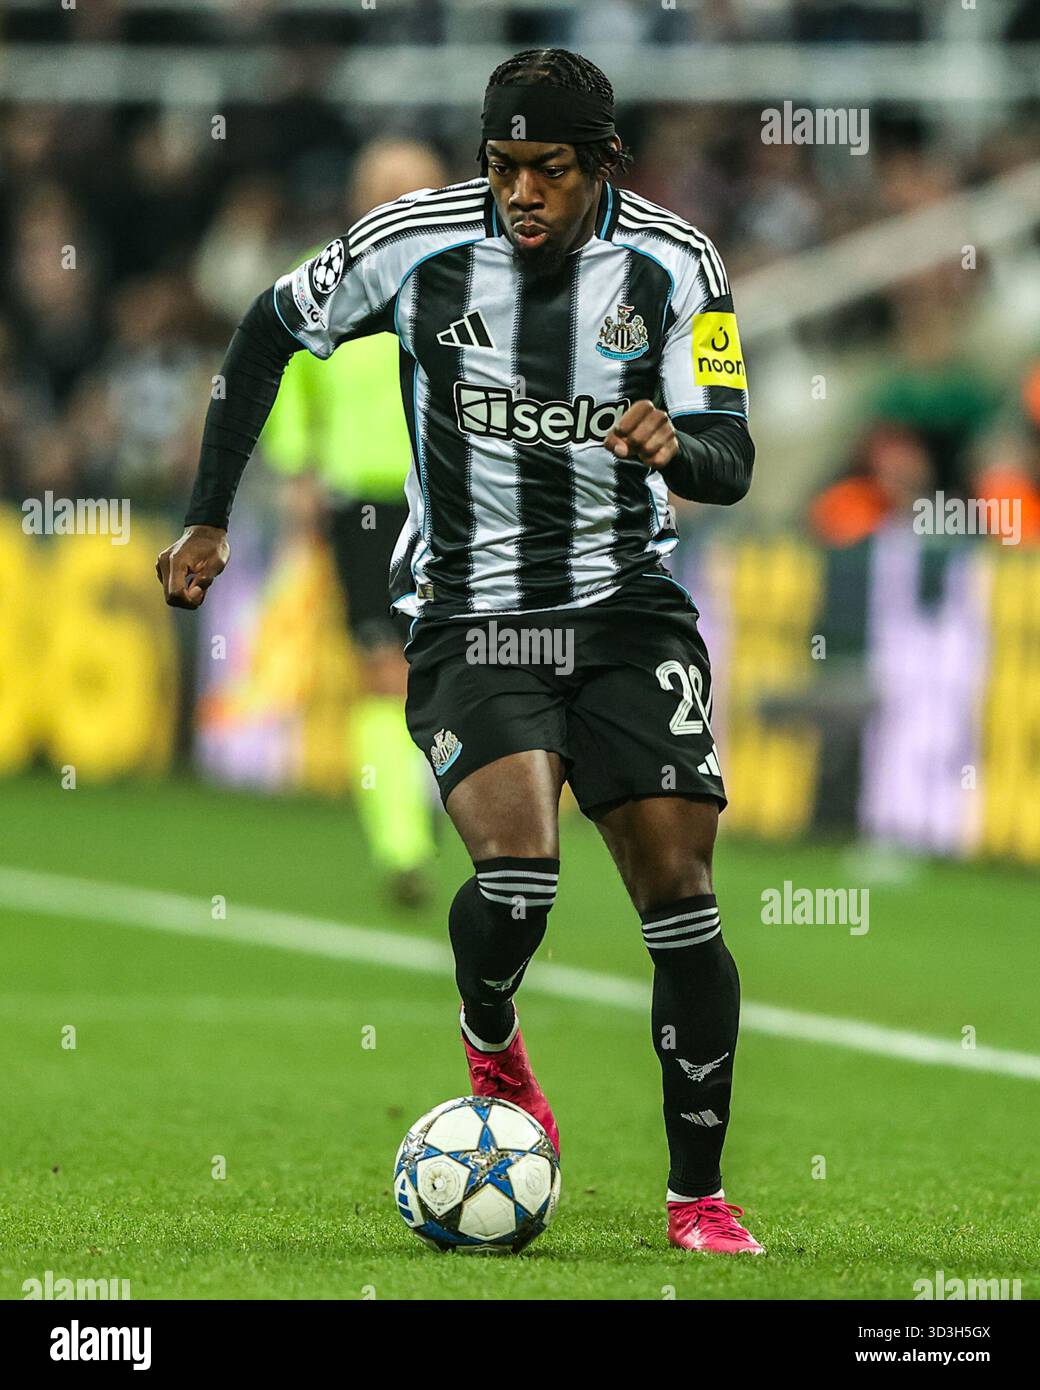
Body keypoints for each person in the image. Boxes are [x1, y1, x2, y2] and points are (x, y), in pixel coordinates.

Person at [157, 48, 762, 1254]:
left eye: (548, 169)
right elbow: (265, 330)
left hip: (624, 609)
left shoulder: (679, 265)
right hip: (471, 613)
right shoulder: (411, 243)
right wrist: (210, 513)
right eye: (502, 166)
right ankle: (490, 1031)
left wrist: (671, 448)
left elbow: (730, 456)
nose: (521, 192)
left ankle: (695, 1196)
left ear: (603, 165)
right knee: (517, 882)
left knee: (682, 901)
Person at [262, 139, 447, 907]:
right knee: (384, 671)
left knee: (461, 671)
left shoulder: (472, 274)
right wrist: (298, 467)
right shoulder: (321, 279)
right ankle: (403, 845)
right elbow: (284, 375)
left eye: (410, 185)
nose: (394, 198)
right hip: (366, 504)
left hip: (458, 497)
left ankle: (439, 805)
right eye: (381, 185)